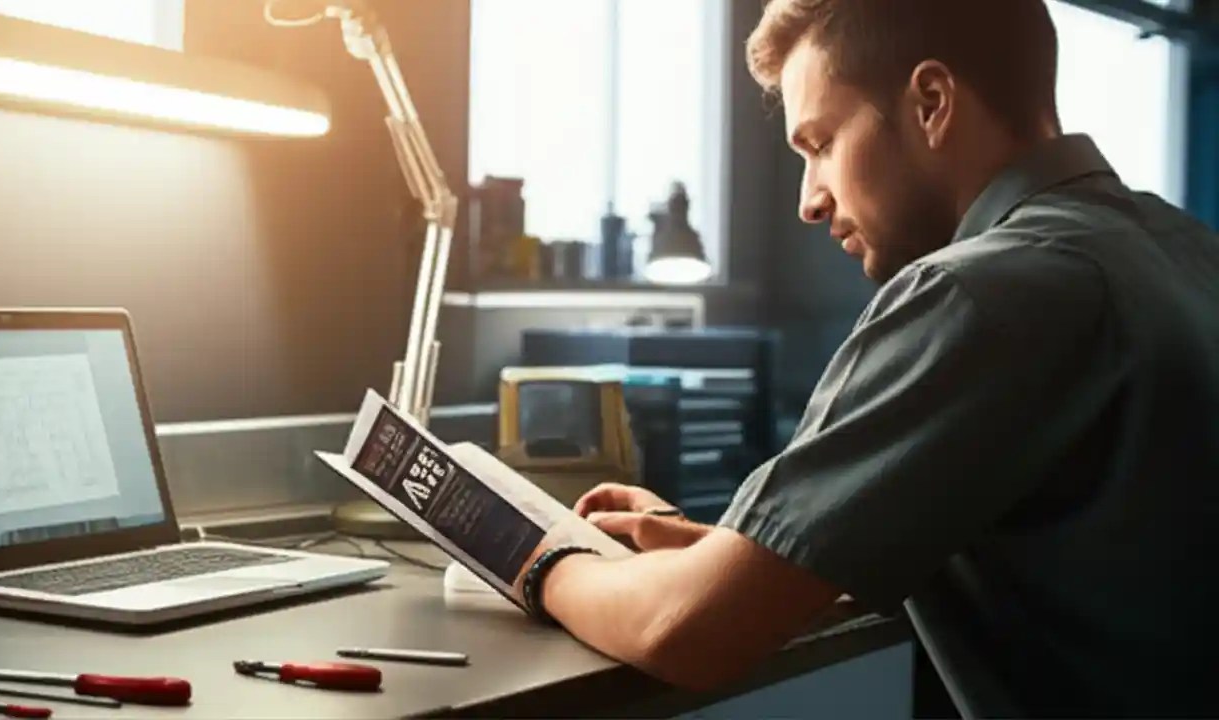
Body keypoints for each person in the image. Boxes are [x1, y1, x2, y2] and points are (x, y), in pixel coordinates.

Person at [514, 0, 1219, 716]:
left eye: (820, 143)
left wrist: (538, 557)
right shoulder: (1187, 251)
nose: (809, 201)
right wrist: (745, 557)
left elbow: (688, 632)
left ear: (932, 103)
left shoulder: (978, 292)